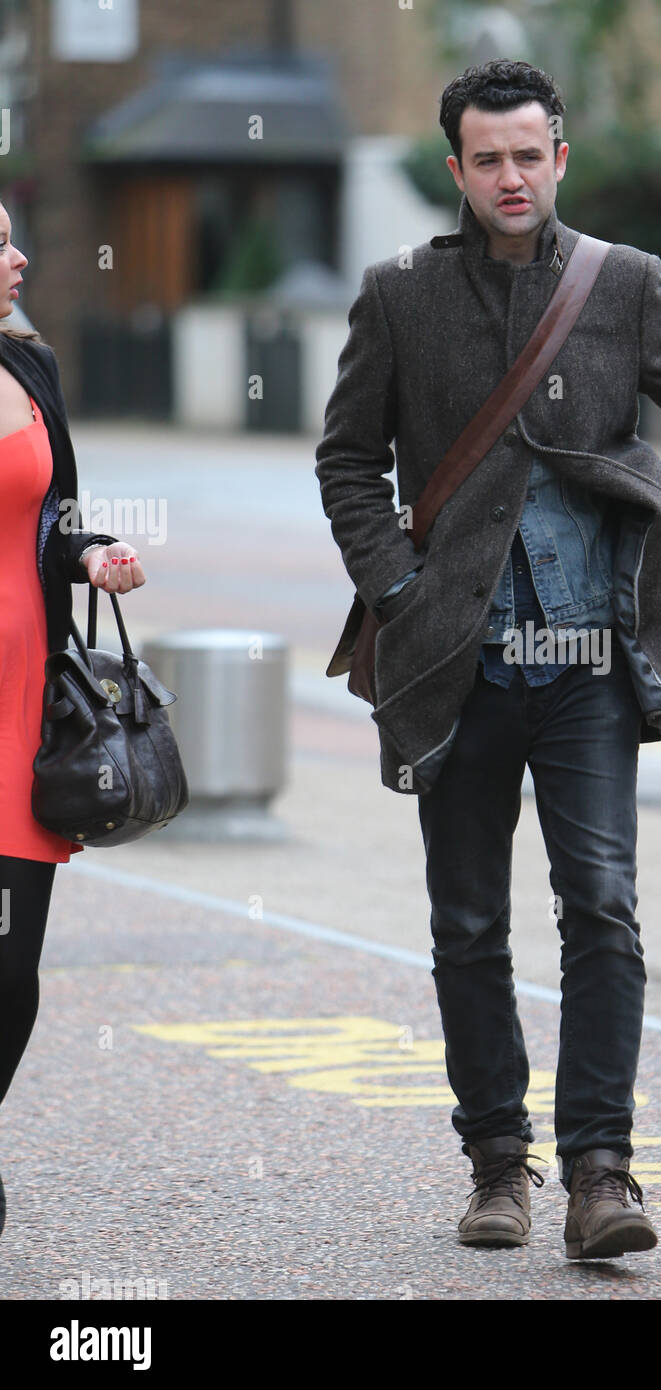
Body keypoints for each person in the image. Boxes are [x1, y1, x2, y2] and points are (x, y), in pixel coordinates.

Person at [316, 60, 661, 1259]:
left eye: (529, 154)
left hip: (592, 657)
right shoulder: (398, 293)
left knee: (601, 904)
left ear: (562, 156)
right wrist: (394, 585)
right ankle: (498, 1166)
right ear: (456, 169)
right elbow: (346, 459)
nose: (511, 175)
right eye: (487, 158)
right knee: (467, 924)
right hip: (451, 661)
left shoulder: (625, 283)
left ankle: (603, 1174)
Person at [0, 200, 146, 1237]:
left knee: (11, 974)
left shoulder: (30, 369)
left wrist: (92, 554)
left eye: (11, 237)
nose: (15, 258)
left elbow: (58, 517)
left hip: (20, 717)